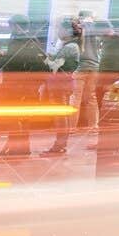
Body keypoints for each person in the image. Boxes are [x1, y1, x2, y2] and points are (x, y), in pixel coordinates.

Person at [0, 15, 46, 157]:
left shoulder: (18, 41)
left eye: (11, 26)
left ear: (16, 26)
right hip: (28, 86)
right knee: (22, 118)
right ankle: (21, 147)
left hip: (16, 86)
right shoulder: (32, 40)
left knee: (14, 118)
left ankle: (16, 149)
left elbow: (10, 65)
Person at [42, 19, 83, 156]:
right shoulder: (70, 46)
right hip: (62, 85)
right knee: (61, 116)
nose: (57, 32)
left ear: (67, 31)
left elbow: (56, 67)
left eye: (59, 29)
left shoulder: (70, 47)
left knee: (61, 117)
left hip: (60, 85)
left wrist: (46, 59)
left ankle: (59, 145)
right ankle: (60, 145)